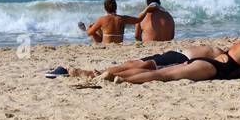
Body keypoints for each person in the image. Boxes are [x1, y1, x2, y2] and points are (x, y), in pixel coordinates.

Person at [115, 30, 240, 84]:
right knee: (160, 75)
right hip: (209, 68)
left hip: (204, 63)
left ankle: (115, 75)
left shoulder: (236, 46)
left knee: (160, 72)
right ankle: (124, 79)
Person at [69, 43, 227, 80]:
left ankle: (98, 72)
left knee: (143, 64)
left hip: (179, 56)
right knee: (140, 63)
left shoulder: (216, 51)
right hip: (178, 55)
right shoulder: (220, 53)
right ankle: (98, 72)